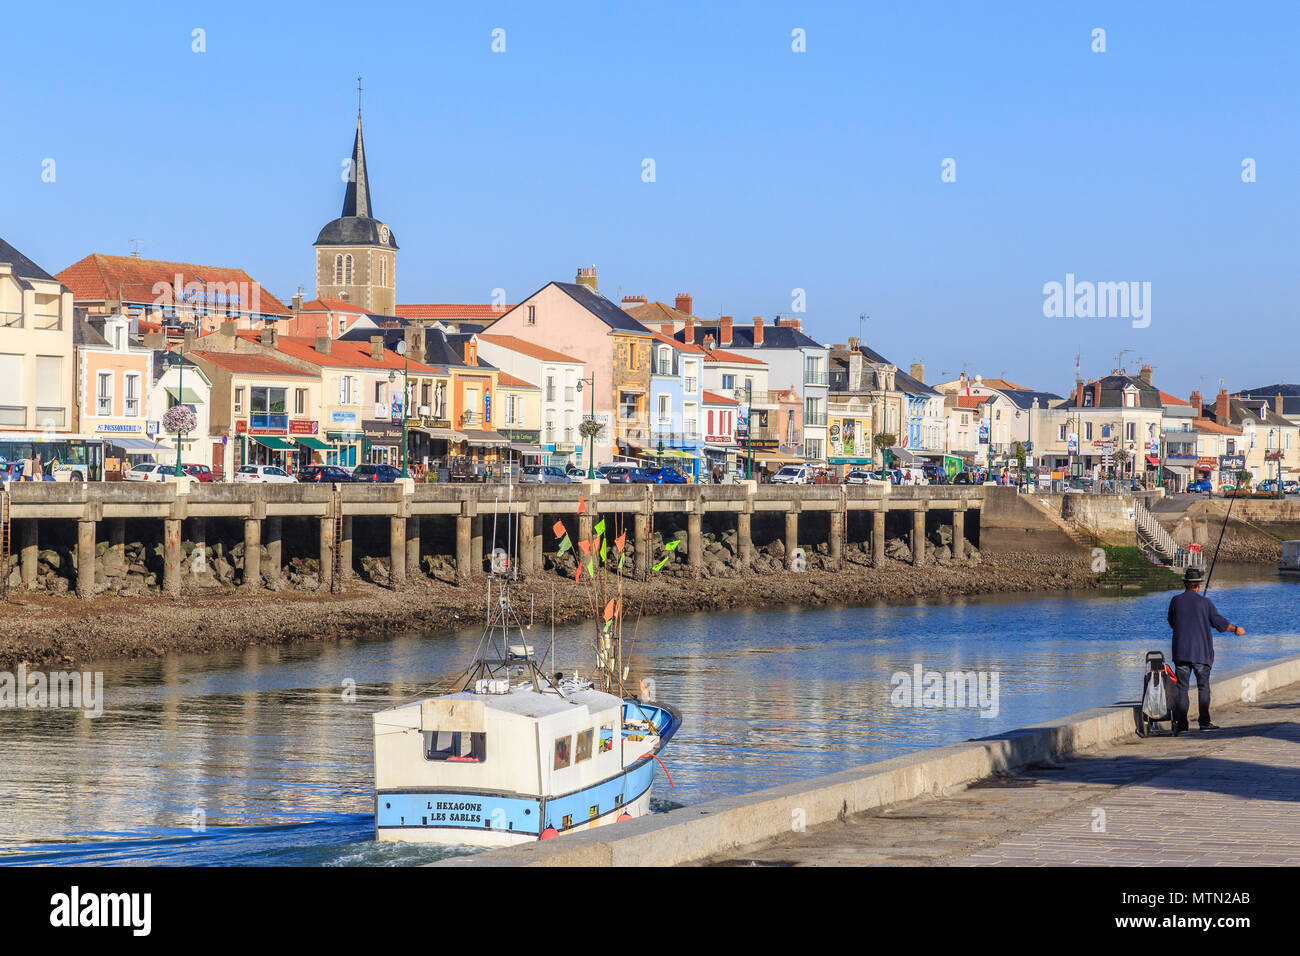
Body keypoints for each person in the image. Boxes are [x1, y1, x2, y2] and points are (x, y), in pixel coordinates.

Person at [1167, 566, 1245, 734]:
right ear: (1198, 585)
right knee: (1203, 687)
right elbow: (1220, 623)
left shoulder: (1175, 600)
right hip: (1201, 653)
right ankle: (1204, 722)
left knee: (1182, 688)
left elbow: (1172, 622)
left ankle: (1182, 725)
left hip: (1181, 652)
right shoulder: (1205, 603)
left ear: (1186, 584)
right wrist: (1236, 629)